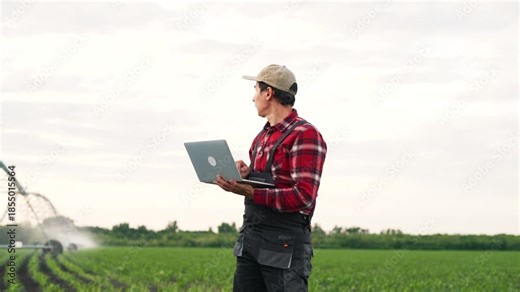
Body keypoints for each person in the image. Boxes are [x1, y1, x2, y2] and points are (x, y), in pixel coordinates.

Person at [215, 64, 327, 292]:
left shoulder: (305, 134)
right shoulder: (261, 138)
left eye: (256, 89)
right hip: (250, 239)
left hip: (284, 246)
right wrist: (244, 175)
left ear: (269, 93)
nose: (252, 97)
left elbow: (303, 196)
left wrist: (250, 191)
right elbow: (270, 180)